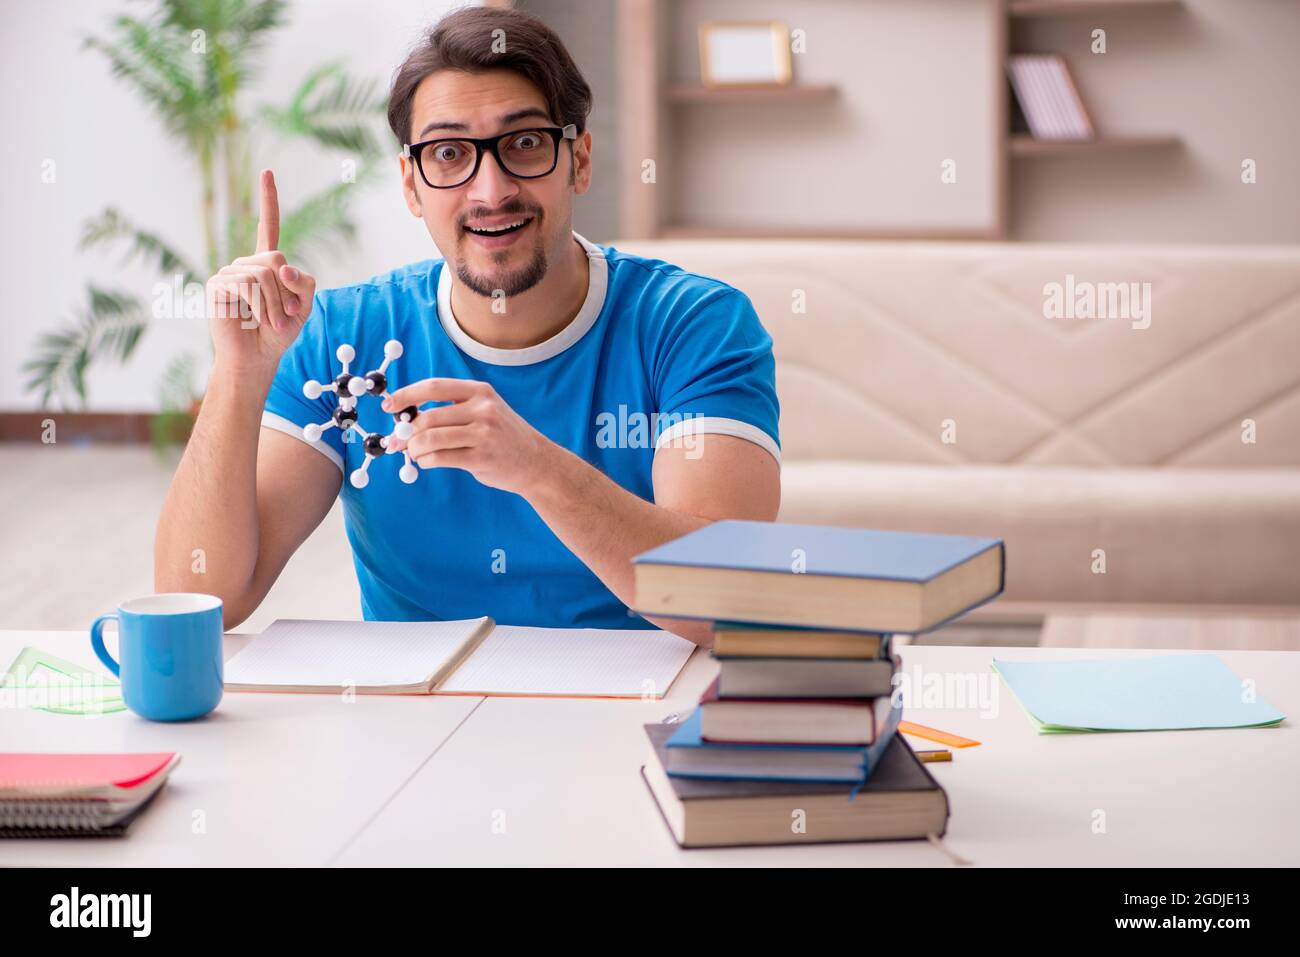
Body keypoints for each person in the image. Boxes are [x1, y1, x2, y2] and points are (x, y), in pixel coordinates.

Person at [154, 6, 780, 646]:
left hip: (639, 711)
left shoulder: (694, 324)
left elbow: (729, 598)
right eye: (450, 153)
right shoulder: (339, 339)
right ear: (412, 185)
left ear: (580, 161)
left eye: (526, 144)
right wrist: (238, 370)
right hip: (421, 719)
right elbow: (200, 595)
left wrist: (536, 467)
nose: (491, 190)